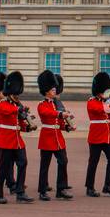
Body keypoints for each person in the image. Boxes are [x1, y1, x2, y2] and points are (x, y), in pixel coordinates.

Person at [0, 71, 33, 204]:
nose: (17, 96)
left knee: (23, 163)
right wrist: (19, 110)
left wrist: (27, 126)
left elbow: (20, 122)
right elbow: (6, 111)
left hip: (17, 140)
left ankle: (20, 191)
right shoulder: (4, 104)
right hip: (6, 141)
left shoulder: (16, 105)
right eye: (15, 94)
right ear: (9, 94)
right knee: (4, 168)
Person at [36, 69, 71, 201]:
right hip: (47, 138)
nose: (54, 91)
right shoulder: (42, 105)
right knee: (45, 165)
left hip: (57, 137)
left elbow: (58, 121)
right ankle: (42, 190)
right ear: (46, 91)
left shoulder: (55, 105)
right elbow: (48, 114)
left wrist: (66, 126)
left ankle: (61, 189)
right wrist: (61, 114)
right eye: (52, 89)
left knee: (63, 161)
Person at [84, 72, 110, 198]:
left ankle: (107, 185)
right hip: (96, 136)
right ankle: (89, 187)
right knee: (93, 162)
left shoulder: (105, 102)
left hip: (107, 136)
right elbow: (100, 110)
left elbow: (109, 121)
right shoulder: (91, 102)